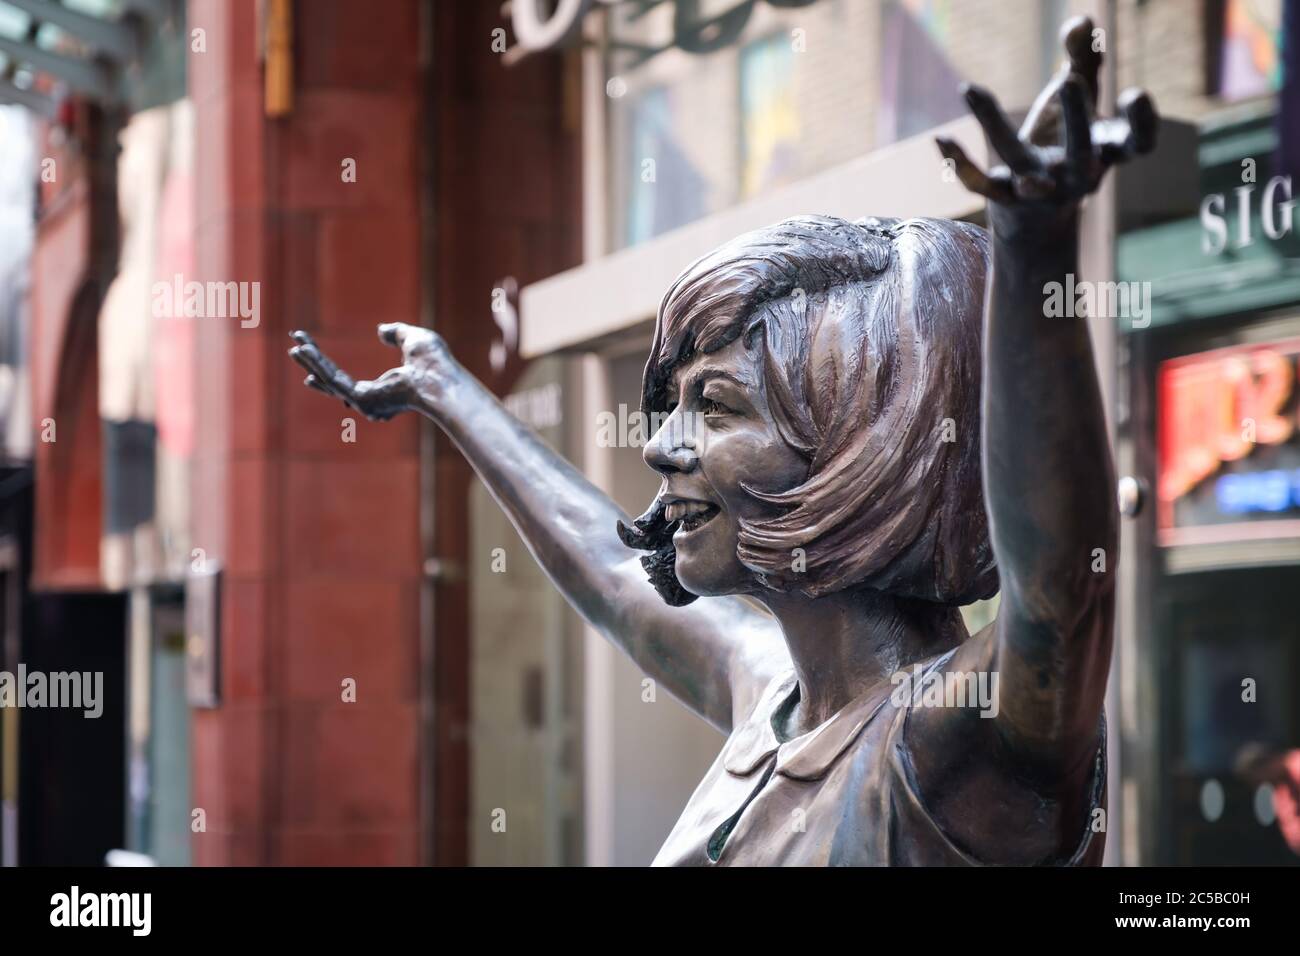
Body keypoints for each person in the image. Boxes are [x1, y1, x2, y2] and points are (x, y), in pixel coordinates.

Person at [290, 16, 1156, 865]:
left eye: (716, 406)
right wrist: (450, 392)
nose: (662, 446)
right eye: (675, 404)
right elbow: (614, 569)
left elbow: (1058, 600)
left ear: (867, 449)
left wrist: (1033, 247)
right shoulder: (775, 697)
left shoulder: (948, 745)